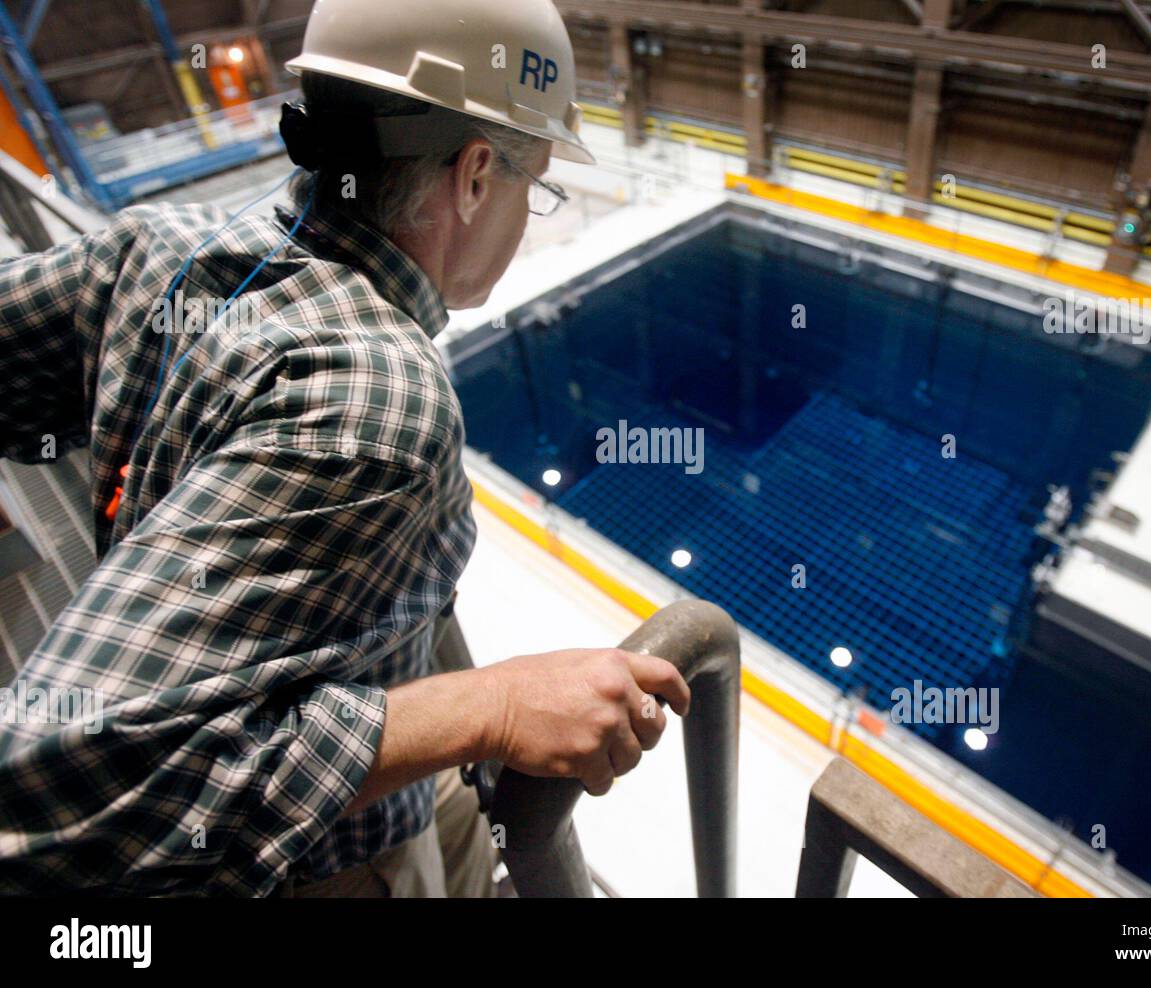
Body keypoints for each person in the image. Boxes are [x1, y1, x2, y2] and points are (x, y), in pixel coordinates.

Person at [0, 0, 689, 897]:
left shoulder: (155, 247)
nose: (531, 215)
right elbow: (52, 800)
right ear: (476, 175)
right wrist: (489, 707)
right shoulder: (381, 399)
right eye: (539, 185)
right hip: (328, 853)